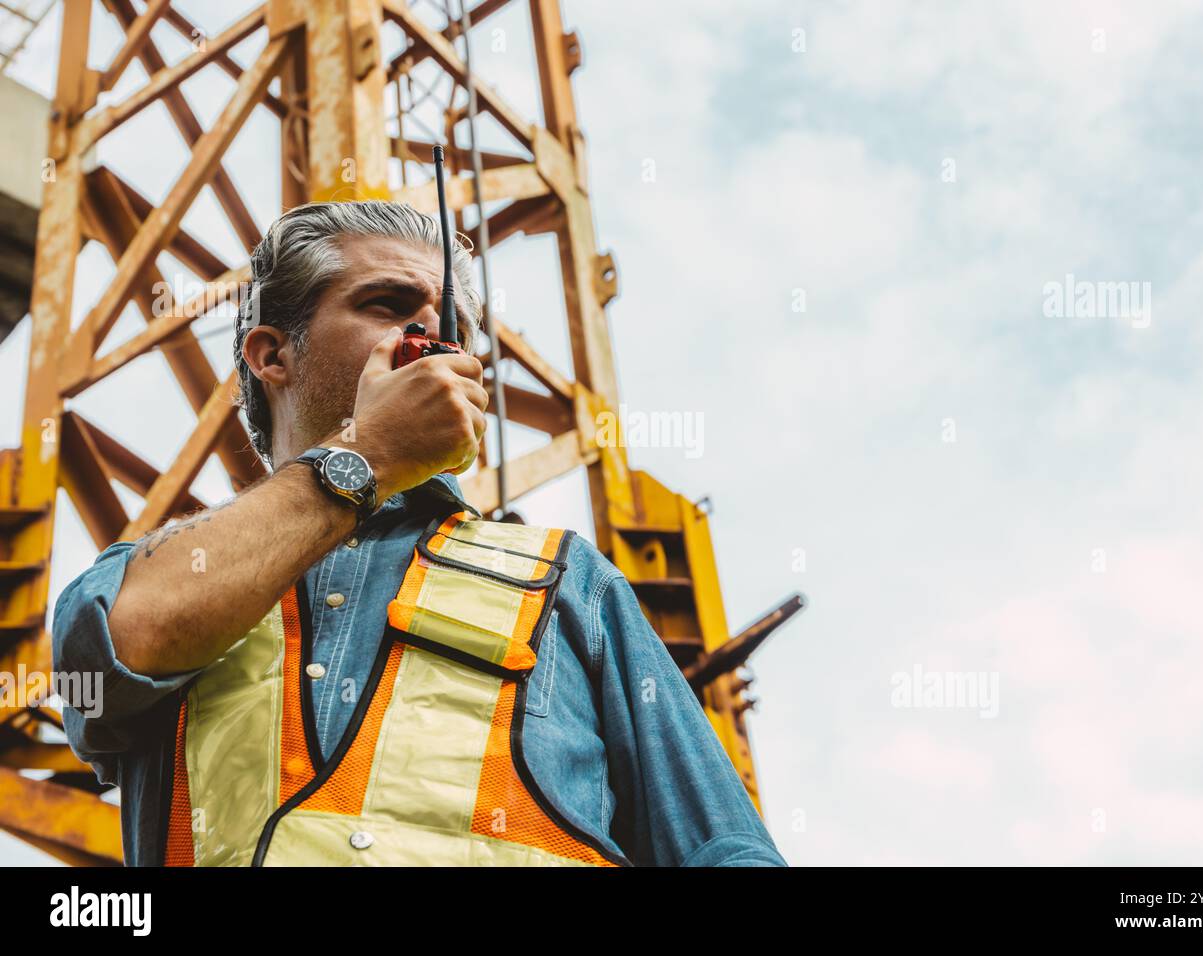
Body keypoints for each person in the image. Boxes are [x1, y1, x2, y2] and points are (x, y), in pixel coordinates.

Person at [51, 200, 787, 867]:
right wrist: (366, 455)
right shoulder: (159, 576)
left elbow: (726, 851)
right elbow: (122, 647)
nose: (433, 330)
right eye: (389, 303)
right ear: (272, 354)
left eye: (451, 319)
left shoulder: (569, 580)